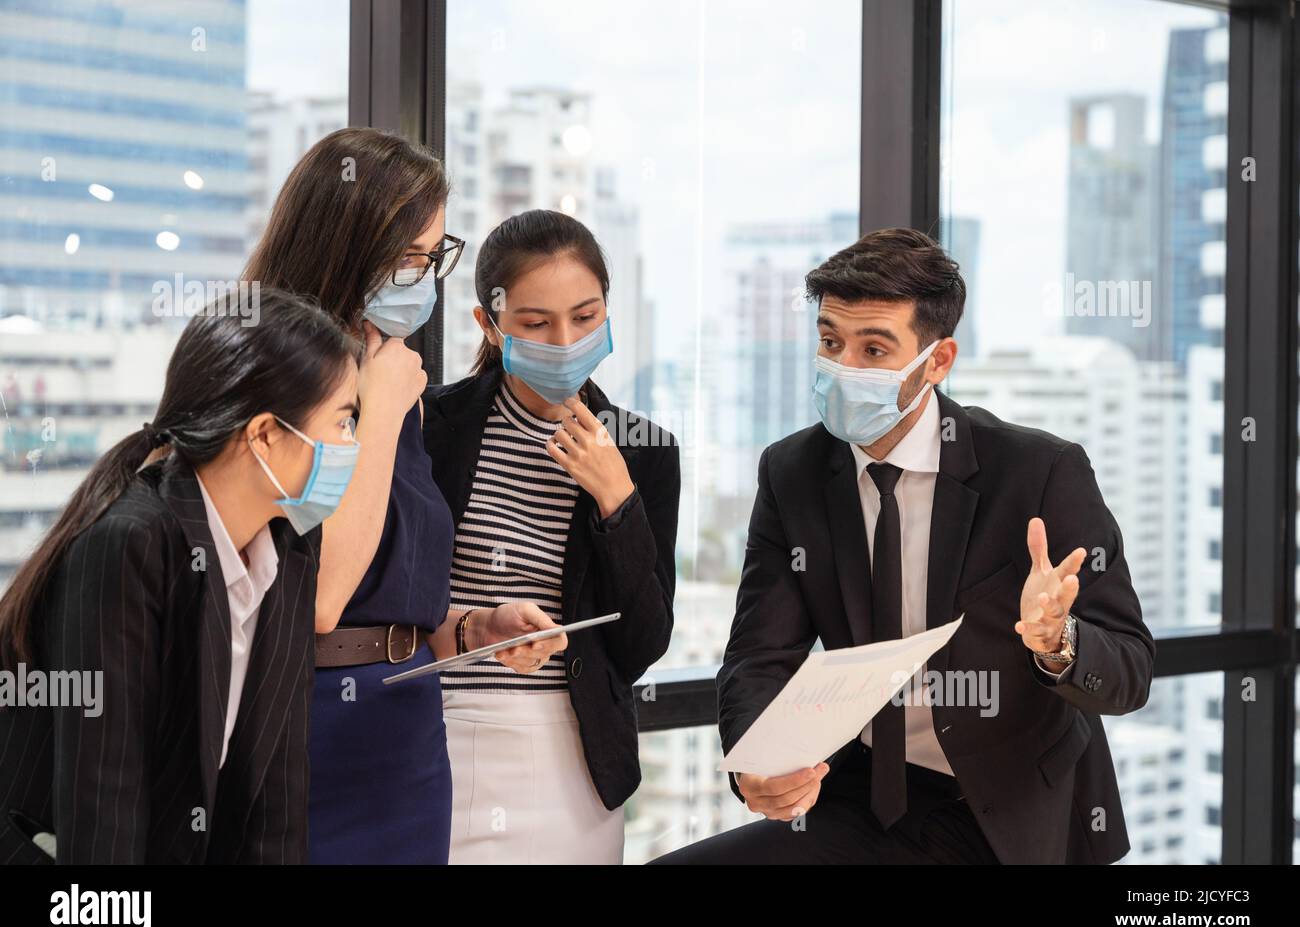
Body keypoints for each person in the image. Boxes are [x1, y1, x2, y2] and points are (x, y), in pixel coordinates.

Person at [651, 227, 1154, 865]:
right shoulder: (793, 472)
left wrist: (1059, 642)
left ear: (937, 361)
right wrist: (756, 762)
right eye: (831, 342)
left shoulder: (1038, 472)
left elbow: (1131, 671)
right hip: (865, 797)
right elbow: (759, 654)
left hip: (1010, 812)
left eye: (873, 349)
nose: (843, 368)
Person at [243, 128, 559, 865]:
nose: (423, 278)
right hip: (305, 726)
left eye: (434, 256)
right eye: (409, 257)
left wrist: (477, 626)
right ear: (344, 246)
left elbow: (393, 597)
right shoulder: (274, 375)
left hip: (409, 728)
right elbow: (320, 598)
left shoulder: (397, 382)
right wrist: (376, 411)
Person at [0, 289, 361, 864]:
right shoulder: (131, 545)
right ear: (266, 433)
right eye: (344, 423)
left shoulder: (290, 541)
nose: (351, 446)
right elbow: (105, 803)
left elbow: (277, 787)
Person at [424, 209, 680, 863]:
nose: (564, 340)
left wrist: (616, 498)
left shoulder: (645, 452)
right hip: (431, 737)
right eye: (536, 324)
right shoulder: (429, 426)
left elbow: (642, 643)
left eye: (586, 316)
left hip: (573, 757)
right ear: (489, 323)